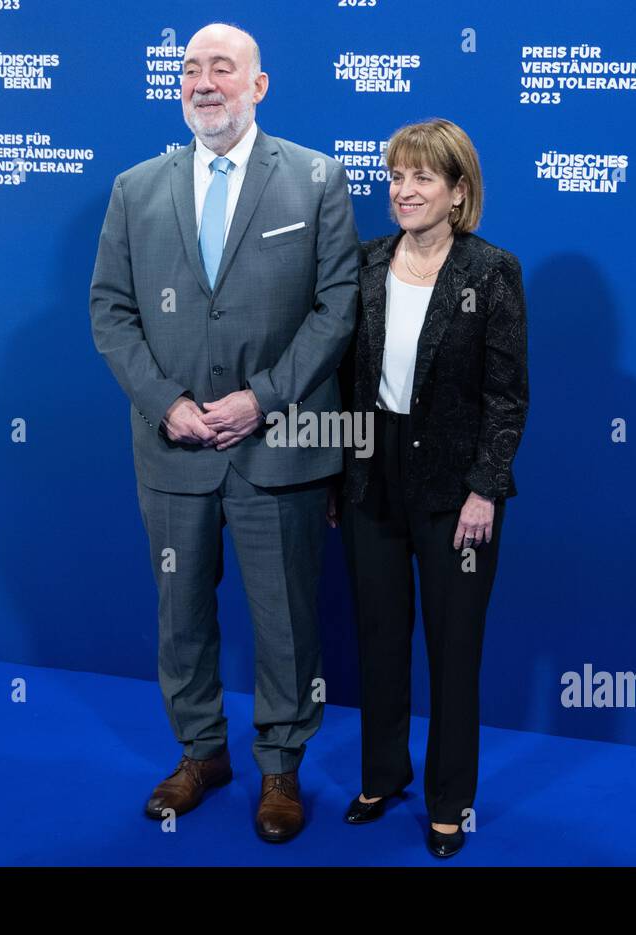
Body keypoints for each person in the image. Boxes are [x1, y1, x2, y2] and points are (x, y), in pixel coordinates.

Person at [88, 22, 359, 843]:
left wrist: (263, 400)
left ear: (259, 85)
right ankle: (201, 753)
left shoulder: (316, 179)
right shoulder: (135, 188)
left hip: (279, 448)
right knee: (180, 617)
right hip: (173, 450)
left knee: (285, 620)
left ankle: (281, 767)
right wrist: (165, 401)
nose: (205, 83)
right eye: (191, 70)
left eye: (223, 69)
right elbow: (111, 309)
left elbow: (337, 306)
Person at [332, 118, 529, 858]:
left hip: (456, 491)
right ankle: (382, 775)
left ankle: (451, 801)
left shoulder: (491, 271)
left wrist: (486, 488)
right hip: (371, 475)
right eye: (395, 177)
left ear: (458, 192)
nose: (403, 191)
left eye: (421, 178)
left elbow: (507, 397)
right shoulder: (364, 262)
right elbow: (347, 384)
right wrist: (338, 477)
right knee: (380, 640)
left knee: (453, 650)